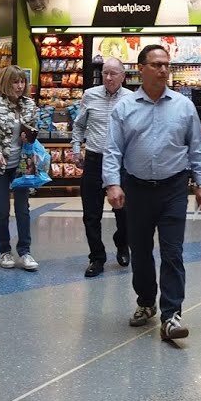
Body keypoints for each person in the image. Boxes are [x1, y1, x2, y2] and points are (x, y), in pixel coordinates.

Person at [103, 44, 201, 341]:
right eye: (156, 64)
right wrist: (112, 183)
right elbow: (113, 150)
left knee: (172, 252)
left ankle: (171, 315)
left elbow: (197, 147)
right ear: (141, 69)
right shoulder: (125, 107)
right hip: (136, 189)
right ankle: (146, 302)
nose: (163, 70)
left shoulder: (183, 106)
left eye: (166, 64)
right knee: (139, 251)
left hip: (173, 187)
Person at [73, 57, 133, 278]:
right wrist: (76, 148)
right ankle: (97, 257)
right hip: (94, 160)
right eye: (105, 73)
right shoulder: (90, 95)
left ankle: (122, 243)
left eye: (113, 73)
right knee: (91, 214)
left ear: (123, 76)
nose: (108, 77)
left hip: (121, 163)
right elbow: (79, 125)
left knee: (124, 211)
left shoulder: (132, 99)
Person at [0, 65, 41, 272]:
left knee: (23, 209)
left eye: (22, 81)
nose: (20, 86)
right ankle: (5, 250)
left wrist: (29, 137)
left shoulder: (29, 104)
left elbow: (34, 131)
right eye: (15, 82)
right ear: (6, 83)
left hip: (22, 164)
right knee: (3, 210)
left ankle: (25, 251)